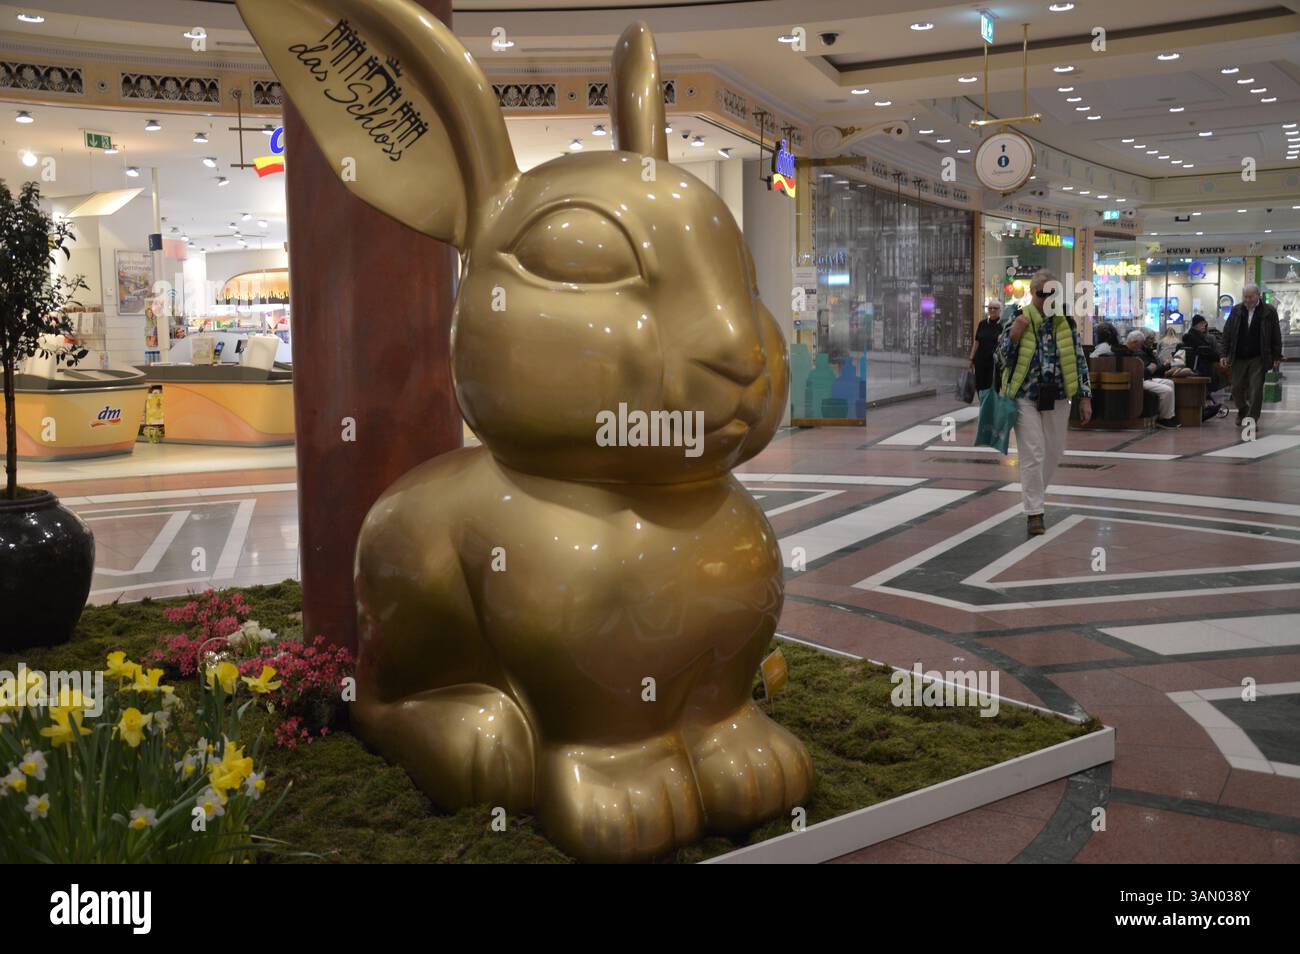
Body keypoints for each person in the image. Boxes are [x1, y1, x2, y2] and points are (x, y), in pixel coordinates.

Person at [998, 269, 1092, 537]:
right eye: (1042, 293)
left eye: (1053, 293)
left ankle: (1036, 495)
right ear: (1032, 293)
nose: (1047, 298)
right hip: (1024, 397)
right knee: (1033, 452)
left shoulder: (1066, 323)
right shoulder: (1017, 319)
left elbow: (1079, 360)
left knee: (1054, 452)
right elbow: (1000, 359)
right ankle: (1035, 512)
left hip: (1059, 397)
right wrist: (1014, 335)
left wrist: (1085, 396)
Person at [1221, 284, 1282, 426]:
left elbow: (1275, 335)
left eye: (1250, 297)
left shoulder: (1269, 311)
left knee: (1256, 389)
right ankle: (1243, 410)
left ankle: (1251, 419)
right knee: (1235, 388)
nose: (1247, 300)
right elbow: (1227, 333)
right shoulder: (1237, 310)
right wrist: (1223, 354)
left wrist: (1276, 356)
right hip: (1238, 356)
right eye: (1245, 297)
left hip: (1258, 356)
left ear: (1258, 295)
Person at [1126, 329, 1180, 429]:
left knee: (1170, 383)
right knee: (1166, 390)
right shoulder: (1130, 353)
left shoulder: (1139, 351)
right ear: (1134, 343)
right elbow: (1143, 370)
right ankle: (1164, 419)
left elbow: (1150, 367)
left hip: (1145, 377)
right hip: (1139, 380)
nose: (1141, 347)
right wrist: (1151, 369)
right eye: (1140, 344)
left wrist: (1152, 368)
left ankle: (1170, 416)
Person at [969, 301, 1003, 394]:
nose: (992, 310)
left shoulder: (1002, 325)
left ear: (1000, 310)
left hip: (994, 364)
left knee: (993, 388)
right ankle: (983, 407)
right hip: (980, 362)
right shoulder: (982, 324)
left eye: (995, 308)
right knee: (980, 388)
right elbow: (976, 342)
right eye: (990, 308)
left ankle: (991, 407)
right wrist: (971, 359)